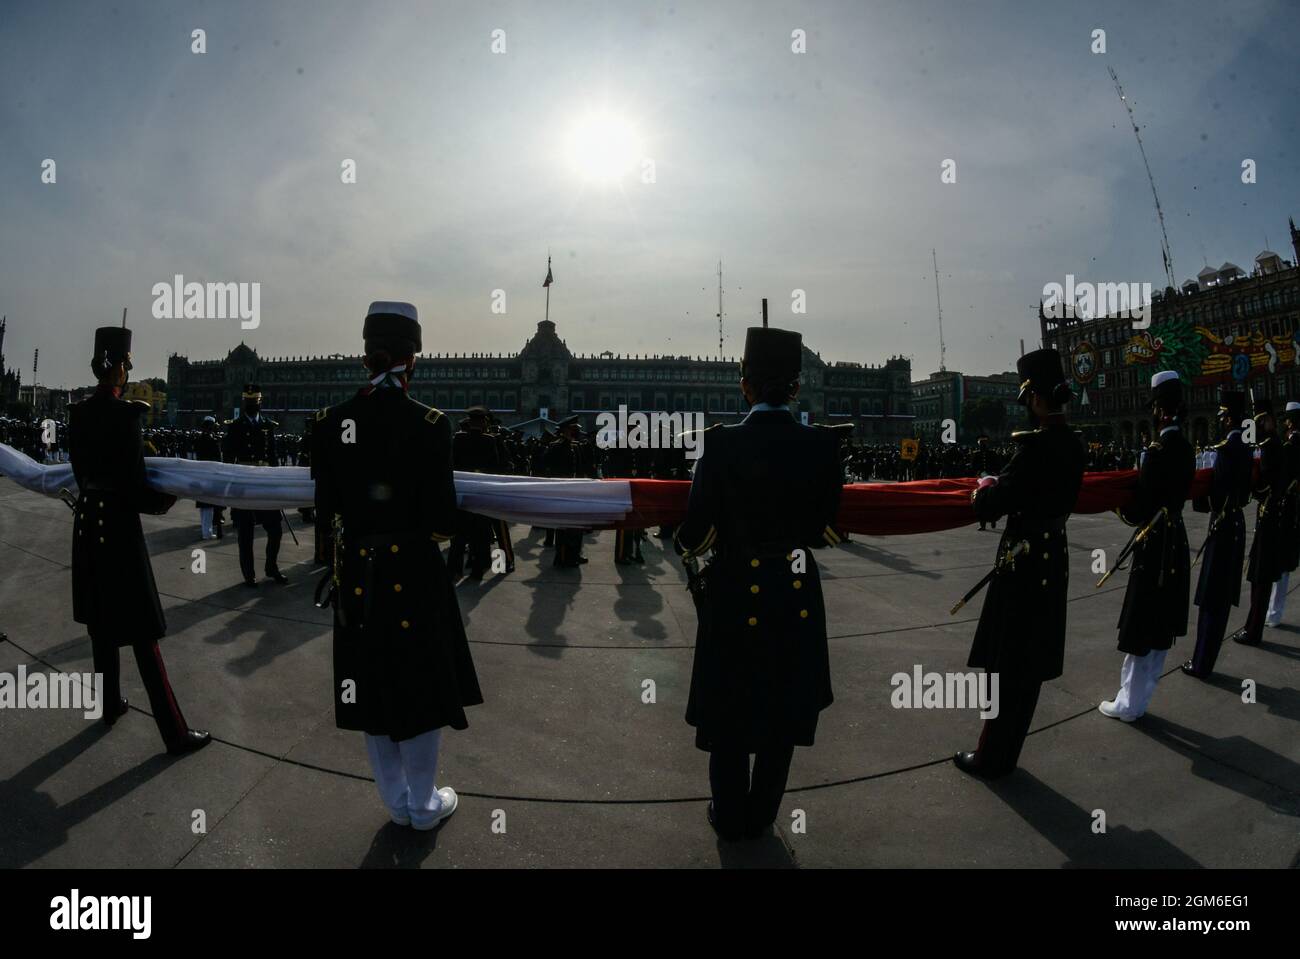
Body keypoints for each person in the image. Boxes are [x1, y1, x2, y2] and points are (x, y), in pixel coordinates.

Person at [312, 301, 482, 830]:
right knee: (422, 681)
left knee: (370, 679)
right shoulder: (430, 424)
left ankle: (395, 800)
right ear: (414, 360)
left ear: (367, 355)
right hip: (412, 569)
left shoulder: (332, 421)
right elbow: (442, 521)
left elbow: (327, 509)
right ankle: (424, 803)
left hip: (357, 571)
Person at [676, 326, 843, 841]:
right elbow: (829, 532)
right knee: (783, 701)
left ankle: (728, 814)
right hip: (793, 591)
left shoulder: (722, 444)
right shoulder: (821, 445)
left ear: (744, 385)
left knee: (729, 705)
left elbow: (694, 537)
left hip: (734, 589)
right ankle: (764, 813)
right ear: (796, 389)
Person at [69, 326, 210, 755]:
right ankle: (174, 733)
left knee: (101, 623)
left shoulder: (78, 414)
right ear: (122, 368)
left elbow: (81, 475)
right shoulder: (126, 416)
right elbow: (133, 486)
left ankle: (109, 704)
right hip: (118, 529)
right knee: (143, 632)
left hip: (87, 525)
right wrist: (169, 497)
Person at [954, 348, 1084, 779]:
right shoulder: (1074, 443)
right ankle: (1009, 753)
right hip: (1053, 560)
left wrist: (985, 484)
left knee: (1005, 663)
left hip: (1022, 565)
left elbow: (990, 503)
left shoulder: (1034, 448)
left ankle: (990, 757)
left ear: (1034, 398)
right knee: (1029, 666)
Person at [1099, 371, 1195, 722]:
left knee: (1142, 620)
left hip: (1154, 543)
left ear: (1159, 410)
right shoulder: (1186, 448)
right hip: (1176, 540)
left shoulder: (1154, 453)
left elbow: (1140, 509)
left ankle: (1129, 703)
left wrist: (1115, 501)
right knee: (1162, 623)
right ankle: (1142, 698)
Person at [1183, 389, 1252, 678]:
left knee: (1212, 597)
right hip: (1236, 524)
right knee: (1221, 598)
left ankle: (1201, 664)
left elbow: (1217, 495)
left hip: (1222, 525)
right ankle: (1205, 660)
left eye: (1223, 415)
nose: (1221, 419)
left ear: (1229, 418)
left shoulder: (1226, 448)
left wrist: (1199, 496)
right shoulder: (1247, 446)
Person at [1229, 397, 1285, 648]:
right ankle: (1254, 628)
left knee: (1260, 577)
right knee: (1261, 576)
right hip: (1274, 514)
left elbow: (1264, 485)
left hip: (1269, 514)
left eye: (1261, 420)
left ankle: (1253, 632)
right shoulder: (1274, 443)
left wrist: (1251, 482)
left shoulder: (1271, 446)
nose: (1258, 424)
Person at [223, 385, 287, 587]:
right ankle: (249, 575)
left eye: (254, 402)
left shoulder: (269, 425)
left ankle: (271, 567)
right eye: (248, 402)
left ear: (260, 402)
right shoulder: (235, 426)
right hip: (243, 485)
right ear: (244, 403)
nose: (251, 405)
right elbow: (228, 459)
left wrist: (277, 485)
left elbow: (273, 457)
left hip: (265, 483)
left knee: (276, 529)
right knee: (245, 533)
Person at [448, 406, 500, 579]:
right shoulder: (489, 440)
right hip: (481, 492)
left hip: (462, 491)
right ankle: (477, 571)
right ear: (484, 422)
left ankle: (455, 570)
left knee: (459, 535)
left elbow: (452, 463)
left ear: (469, 422)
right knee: (479, 535)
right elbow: (495, 467)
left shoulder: (458, 438)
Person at [1264, 401, 1300, 626]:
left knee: (1283, 563)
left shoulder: (1288, 447)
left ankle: (1274, 614)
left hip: (1289, 508)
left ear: (1289, 422)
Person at [541, 417, 587, 567]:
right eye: (573, 428)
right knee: (563, 528)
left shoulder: (575, 446)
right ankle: (562, 557)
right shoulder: (556, 446)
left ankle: (574, 554)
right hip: (562, 491)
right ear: (566, 430)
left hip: (576, 490)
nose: (575, 431)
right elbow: (546, 466)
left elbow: (580, 469)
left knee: (577, 526)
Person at [194, 415, 224, 540]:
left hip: (201, 474)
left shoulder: (199, 439)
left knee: (203, 505)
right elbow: (218, 459)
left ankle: (205, 530)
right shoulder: (212, 441)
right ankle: (207, 533)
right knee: (209, 506)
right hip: (211, 474)